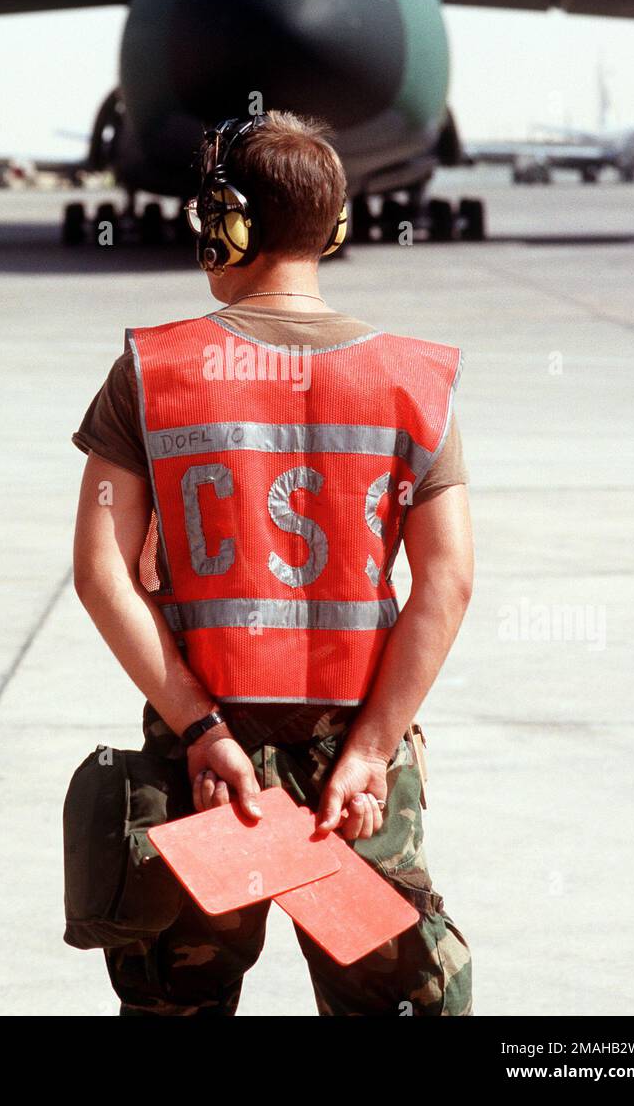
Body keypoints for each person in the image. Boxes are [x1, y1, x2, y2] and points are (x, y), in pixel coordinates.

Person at [72, 110, 473, 1016]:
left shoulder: (151, 370)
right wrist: (370, 751)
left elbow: (101, 573)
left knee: (179, 1003)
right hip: (354, 774)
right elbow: (446, 583)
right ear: (332, 230)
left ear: (227, 221)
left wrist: (201, 730)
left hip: (208, 772)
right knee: (398, 1005)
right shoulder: (417, 379)